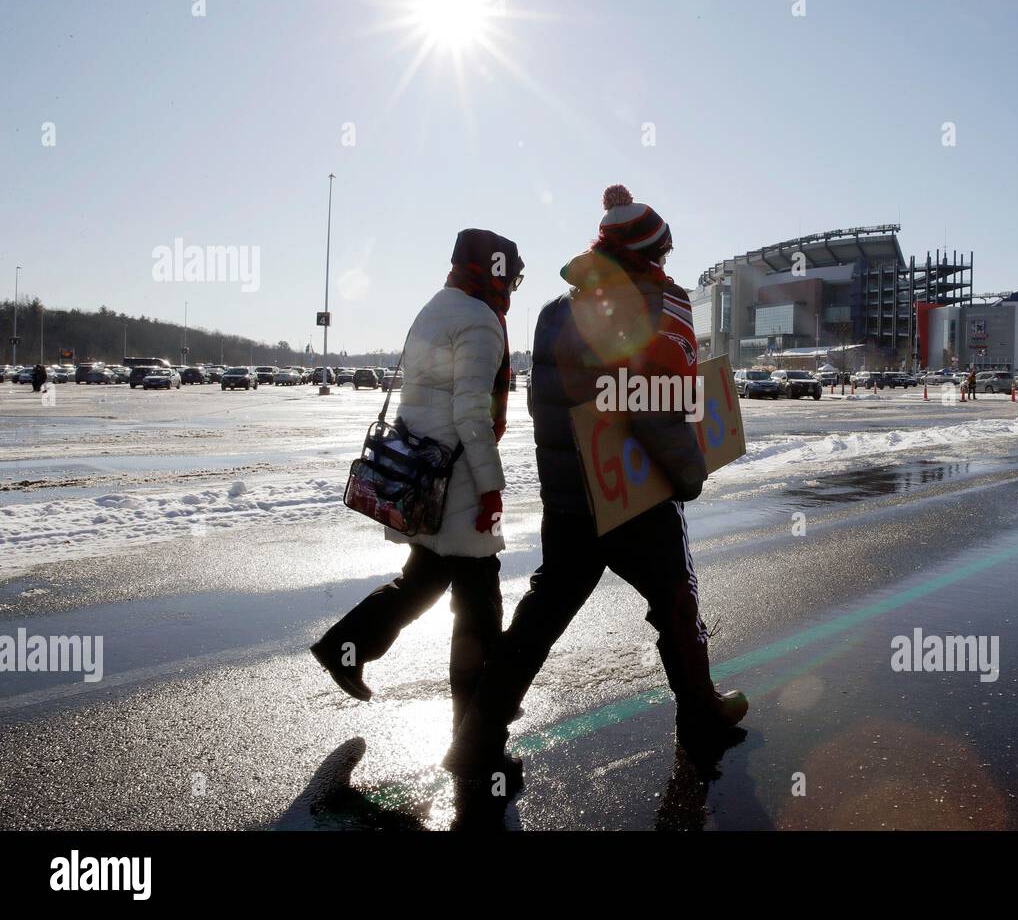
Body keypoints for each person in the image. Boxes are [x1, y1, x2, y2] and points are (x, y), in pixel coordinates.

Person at [443, 185, 747, 780]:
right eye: (663, 252)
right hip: (633, 493)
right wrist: (688, 476)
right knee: (677, 605)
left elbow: (546, 401)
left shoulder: (558, 308)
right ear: (650, 253)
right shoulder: (648, 303)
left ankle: (475, 739)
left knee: (543, 612)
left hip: (571, 496)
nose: (666, 263)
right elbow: (654, 404)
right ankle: (702, 718)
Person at [311, 229, 523, 736]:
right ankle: (475, 726)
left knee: (424, 579)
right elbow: (472, 412)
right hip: (457, 478)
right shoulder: (480, 322)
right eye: (511, 277)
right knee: (477, 604)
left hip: (421, 478)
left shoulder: (434, 308)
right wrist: (490, 488)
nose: (512, 288)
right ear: (496, 274)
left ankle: (347, 647)